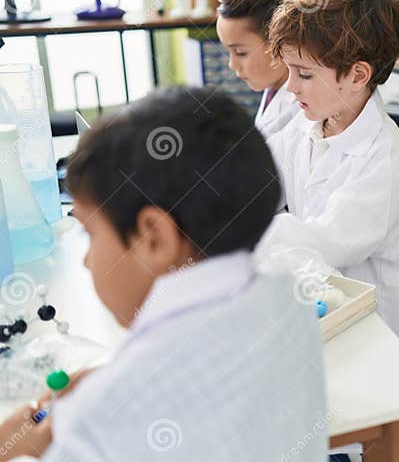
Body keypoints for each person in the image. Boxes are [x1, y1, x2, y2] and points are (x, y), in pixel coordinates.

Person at [0, 87, 326, 461]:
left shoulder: (94, 423)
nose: (87, 261)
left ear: (155, 237)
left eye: (89, 234)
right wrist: (114, 378)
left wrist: (13, 448)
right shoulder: (288, 299)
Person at [261, 0, 399, 353]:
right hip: (325, 312)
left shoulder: (384, 161)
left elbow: (323, 244)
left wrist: (236, 232)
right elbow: (261, 178)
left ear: (357, 75)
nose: (290, 88)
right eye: (288, 71)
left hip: (375, 340)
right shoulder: (311, 123)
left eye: (304, 74)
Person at [217, 0, 304, 138]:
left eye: (240, 52)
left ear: (281, 44)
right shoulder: (273, 86)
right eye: (228, 51)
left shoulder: (305, 111)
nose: (232, 65)